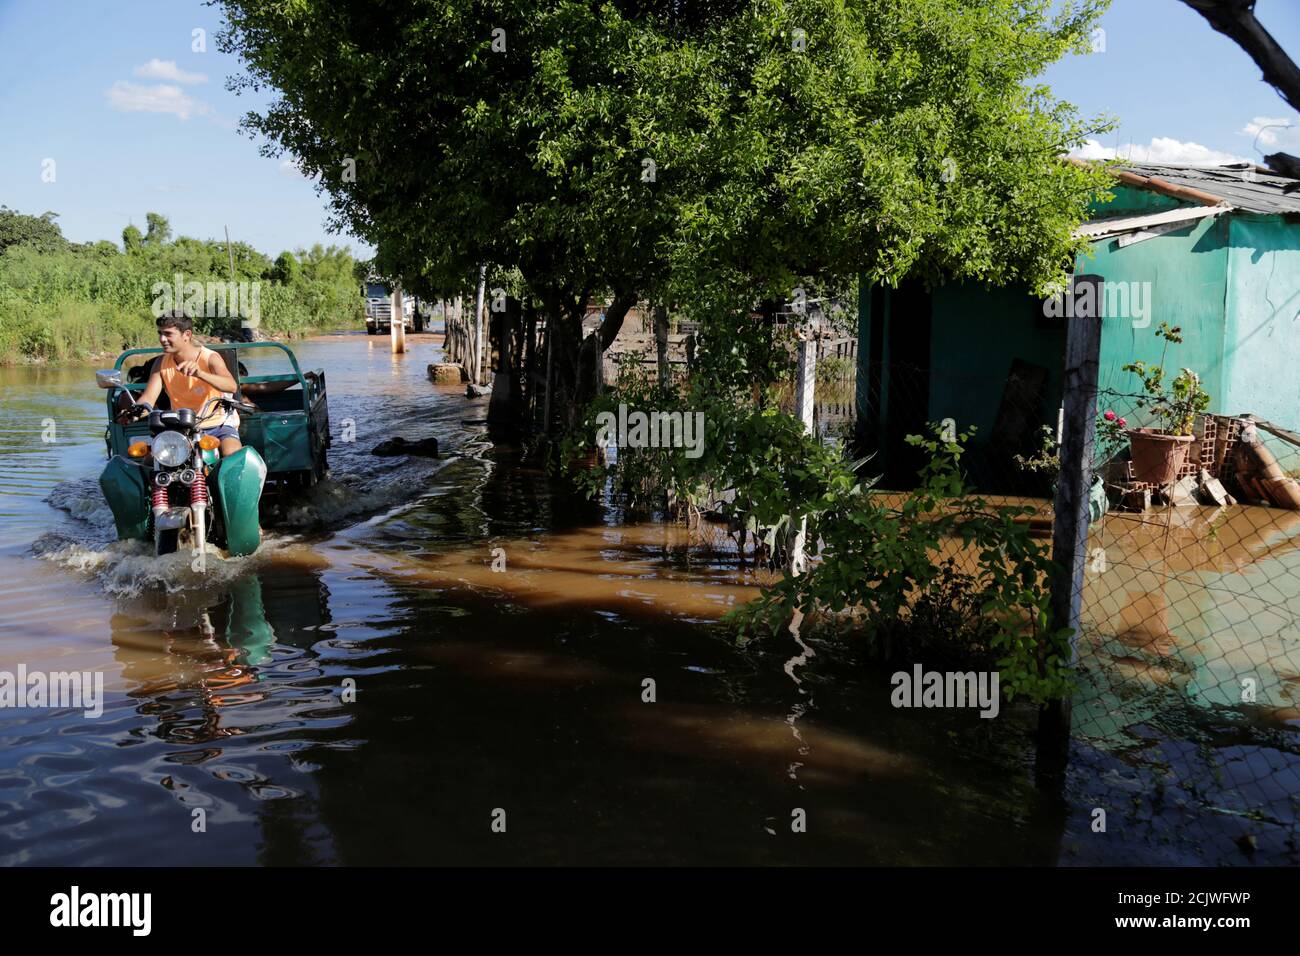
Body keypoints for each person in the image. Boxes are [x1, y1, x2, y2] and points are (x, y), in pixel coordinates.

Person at [125, 311, 243, 458]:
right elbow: (148, 398)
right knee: (153, 460)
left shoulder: (210, 358)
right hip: (182, 428)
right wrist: (134, 412)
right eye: (160, 333)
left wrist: (201, 373)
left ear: (187, 334)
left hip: (219, 425)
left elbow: (231, 386)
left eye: (168, 334)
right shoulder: (160, 363)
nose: (162, 339)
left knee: (232, 454)